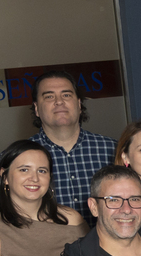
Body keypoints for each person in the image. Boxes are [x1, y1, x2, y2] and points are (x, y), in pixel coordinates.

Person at [21, 69, 116, 213]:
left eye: (66, 95)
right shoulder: (16, 158)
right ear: (36, 109)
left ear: (79, 104)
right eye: (49, 97)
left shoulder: (113, 150)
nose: (59, 102)